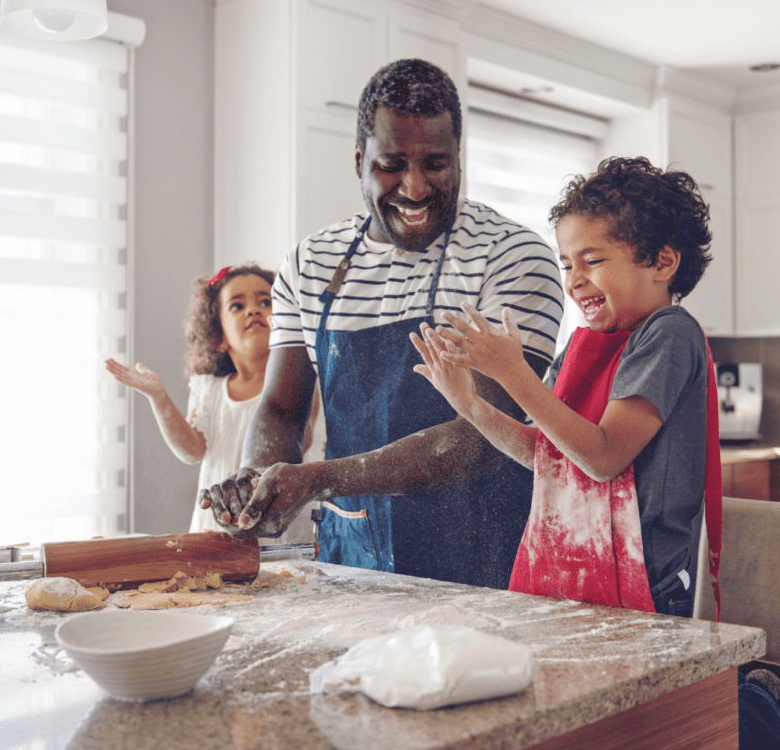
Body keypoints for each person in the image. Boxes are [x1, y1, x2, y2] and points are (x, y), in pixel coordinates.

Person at [199, 58, 564, 590]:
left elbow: (482, 436)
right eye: (392, 163)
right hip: (350, 566)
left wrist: (319, 479)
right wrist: (258, 481)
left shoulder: (511, 256)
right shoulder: (311, 263)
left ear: (459, 158)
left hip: (486, 562)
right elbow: (280, 408)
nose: (415, 188)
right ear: (359, 161)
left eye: (436, 163)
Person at [411, 156, 722, 616]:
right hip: (578, 578)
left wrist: (513, 373)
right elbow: (546, 457)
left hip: (648, 593)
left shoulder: (669, 334)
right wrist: (471, 405)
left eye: (592, 261)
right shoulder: (580, 349)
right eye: (566, 265)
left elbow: (602, 456)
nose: (575, 282)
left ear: (662, 262)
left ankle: (756, 690)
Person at [105, 263, 320, 537]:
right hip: (215, 530)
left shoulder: (302, 379)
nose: (253, 310)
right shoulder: (208, 389)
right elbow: (192, 450)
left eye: (266, 302)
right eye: (237, 306)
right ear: (219, 337)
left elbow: (303, 441)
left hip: (276, 532)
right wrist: (158, 396)